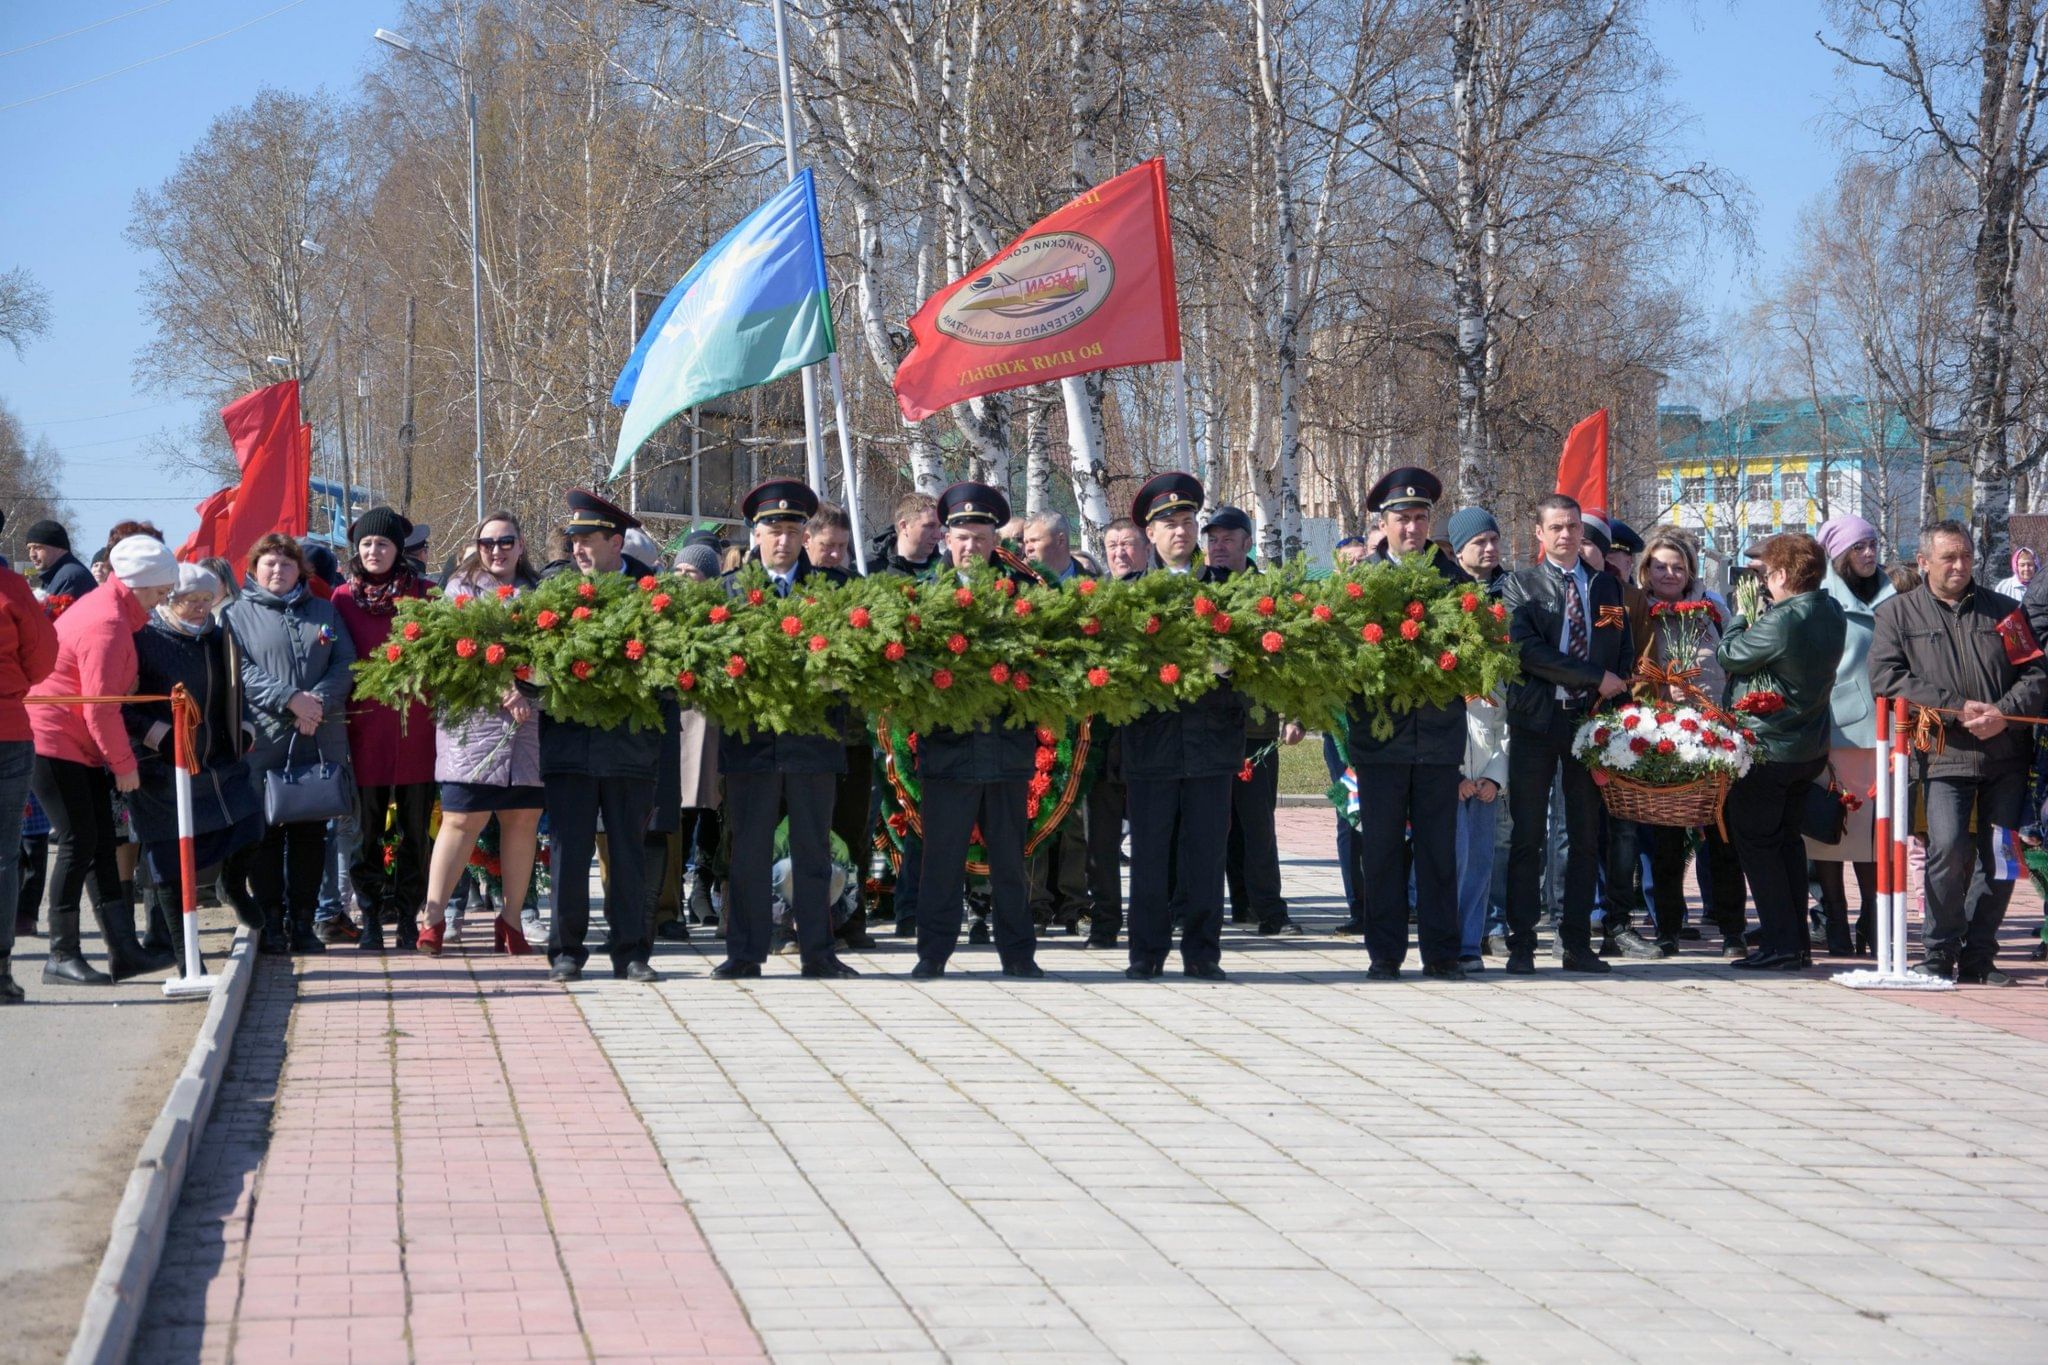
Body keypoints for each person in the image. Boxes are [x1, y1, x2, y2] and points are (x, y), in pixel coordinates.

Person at [1874, 521, 2048, 985]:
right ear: (1923, 562)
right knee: (1948, 849)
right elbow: (1887, 678)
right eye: (1949, 557)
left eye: (1967, 556)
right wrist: (1955, 708)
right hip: (1943, 754)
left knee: (2000, 858)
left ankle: (1979, 957)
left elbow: (2036, 675)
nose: (1960, 565)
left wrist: (2004, 713)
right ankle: (1937, 954)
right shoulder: (1898, 614)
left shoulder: (2007, 612)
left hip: (2005, 755)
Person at [713, 479, 858, 981]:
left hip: (813, 740)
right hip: (750, 742)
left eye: (793, 530)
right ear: (755, 534)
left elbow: (858, 663)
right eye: (772, 530)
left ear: (805, 535)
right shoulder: (728, 593)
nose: (782, 540)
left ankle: (818, 951)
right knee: (748, 851)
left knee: (813, 852)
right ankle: (745, 953)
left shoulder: (834, 590)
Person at [28, 535, 183, 983]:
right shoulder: (107, 624)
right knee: (78, 843)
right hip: (55, 741)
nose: (161, 602)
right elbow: (99, 705)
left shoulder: (115, 613)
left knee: (98, 844)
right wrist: (124, 765)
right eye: (158, 592)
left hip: (75, 742)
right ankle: (61, 953)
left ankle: (124, 951)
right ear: (137, 586)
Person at [910, 482, 1045, 980]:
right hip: (947, 749)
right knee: (941, 859)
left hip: (1007, 750)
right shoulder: (922, 594)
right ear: (946, 539)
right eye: (962, 536)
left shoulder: (1023, 592)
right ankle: (933, 952)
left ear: (996, 540)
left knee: (1010, 860)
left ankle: (1018, 954)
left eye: (981, 536)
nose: (971, 546)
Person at [1498, 494, 1633, 975]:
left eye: (1573, 527)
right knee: (1528, 836)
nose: (1565, 535)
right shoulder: (1520, 585)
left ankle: (1576, 942)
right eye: (1555, 527)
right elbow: (1528, 653)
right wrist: (1593, 677)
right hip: (1537, 722)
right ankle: (1521, 944)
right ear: (1539, 533)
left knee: (1582, 837)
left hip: (1588, 725)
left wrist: (1614, 702)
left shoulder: (1606, 589)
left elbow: (1620, 650)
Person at [541, 490, 670, 984]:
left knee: (628, 854)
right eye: (573, 539)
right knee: (569, 854)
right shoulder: (555, 590)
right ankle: (566, 952)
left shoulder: (651, 591)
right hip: (569, 747)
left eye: (587, 539)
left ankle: (632, 952)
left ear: (616, 542)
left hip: (629, 748)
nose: (576, 549)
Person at [1349, 467, 1470, 980]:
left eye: (1421, 518)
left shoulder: (1456, 582)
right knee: (1380, 853)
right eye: (1403, 518)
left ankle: (1442, 954)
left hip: (1439, 740)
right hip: (1380, 742)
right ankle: (1385, 953)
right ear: (1383, 523)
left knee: (1439, 853)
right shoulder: (1359, 583)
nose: (1413, 528)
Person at [1121, 471, 1241, 982]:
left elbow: (1257, 664)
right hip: (1153, 746)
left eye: (1189, 521)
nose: (1181, 532)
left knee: (1206, 857)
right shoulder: (1129, 595)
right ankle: (1146, 954)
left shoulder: (1226, 591)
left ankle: (1202, 953)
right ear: (1150, 534)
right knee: (1149, 856)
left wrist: (1231, 662)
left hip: (1211, 743)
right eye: (1169, 524)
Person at [123, 565, 263, 977]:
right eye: (192, 601)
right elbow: (122, 703)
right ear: (169, 599)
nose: (202, 609)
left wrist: (246, 725)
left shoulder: (218, 636)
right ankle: (186, 955)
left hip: (218, 757)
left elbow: (237, 687)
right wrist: (157, 735)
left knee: (251, 823)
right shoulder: (145, 639)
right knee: (169, 860)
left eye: (207, 600)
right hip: (163, 766)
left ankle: (232, 885)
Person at [1718, 533, 1846, 971]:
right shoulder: (1830, 609)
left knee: (1758, 846)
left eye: (1767, 573)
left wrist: (1739, 615)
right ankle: (1795, 943)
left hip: (1769, 749)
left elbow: (1731, 655)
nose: (1763, 581)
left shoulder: (1785, 618)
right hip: (1808, 748)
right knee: (1788, 842)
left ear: (1783, 574)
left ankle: (1780, 943)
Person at [422, 513, 545, 956]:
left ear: (521, 543)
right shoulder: (460, 589)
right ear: (476, 546)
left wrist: (531, 683)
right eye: (487, 542)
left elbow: (551, 650)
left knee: (522, 820)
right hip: (472, 728)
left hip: (527, 727)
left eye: (505, 541)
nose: (497, 550)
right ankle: (434, 916)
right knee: (461, 819)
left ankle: (511, 921)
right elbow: (457, 654)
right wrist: (502, 687)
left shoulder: (539, 591)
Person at [226, 534, 355, 955]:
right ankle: (271, 921)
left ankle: (303, 921)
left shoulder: (323, 612)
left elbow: (344, 663)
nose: (278, 571)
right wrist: (289, 699)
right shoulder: (235, 615)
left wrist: (316, 702)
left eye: (286, 564)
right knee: (265, 835)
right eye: (269, 564)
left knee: (311, 834)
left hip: (316, 737)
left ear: (301, 570)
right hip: (264, 741)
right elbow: (240, 670)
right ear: (254, 568)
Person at [1633, 526, 1747, 955]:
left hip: (1712, 733)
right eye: (1660, 566)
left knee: (1721, 837)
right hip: (1660, 737)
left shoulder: (1711, 609)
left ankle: (1733, 931)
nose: (1668, 573)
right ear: (1646, 569)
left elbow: (1732, 664)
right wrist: (1665, 690)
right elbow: (1631, 671)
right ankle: (1667, 929)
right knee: (1665, 841)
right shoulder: (1637, 609)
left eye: (1677, 566)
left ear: (1691, 570)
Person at [330, 508, 437, 952]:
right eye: (367, 544)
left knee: (415, 832)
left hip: (417, 731)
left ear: (399, 550)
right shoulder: (341, 599)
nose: (375, 551)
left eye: (384, 544)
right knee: (367, 834)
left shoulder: (426, 595)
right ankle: (372, 916)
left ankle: (409, 917)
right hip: (364, 731)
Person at [1203, 504, 1304, 937]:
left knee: (1257, 825)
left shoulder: (1270, 592)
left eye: (1228, 538)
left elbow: (1298, 655)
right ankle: (1207, 910)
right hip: (1203, 729)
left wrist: (1297, 713)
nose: (1219, 546)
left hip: (1254, 727)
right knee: (1208, 826)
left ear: (1248, 542)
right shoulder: (1195, 588)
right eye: (1213, 539)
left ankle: (1267, 911)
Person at [1807, 515, 1896, 956]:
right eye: (1858, 547)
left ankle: (1872, 923)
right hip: (1832, 732)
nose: (1868, 553)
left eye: (1872, 544)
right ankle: (1836, 925)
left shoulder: (1893, 598)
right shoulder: (1820, 600)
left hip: (1881, 733)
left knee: (1873, 837)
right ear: (1837, 554)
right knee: (1829, 833)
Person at [0, 525, 58, 1001]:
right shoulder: (13, 588)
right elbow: (42, 658)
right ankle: (0, 973)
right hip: (6, 728)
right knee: (3, 853)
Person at [22, 520, 96, 601]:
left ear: (58, 547)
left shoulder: (70, 578)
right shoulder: (55, 576)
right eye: (29, 548)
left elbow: (58, 613)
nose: (32, 555)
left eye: (38, 548)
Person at [882, 492, 942, 576]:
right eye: (930, 526)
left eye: (939, 527)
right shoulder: (869, 570)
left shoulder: (946, 571)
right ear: (904, 526)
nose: (938, 536)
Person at [1449, 508, 1506, 588]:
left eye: (1494, 539)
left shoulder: (1516, 589)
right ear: (1458, 551)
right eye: (1480, 542)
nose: (1490, 548)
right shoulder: (1443, 591)